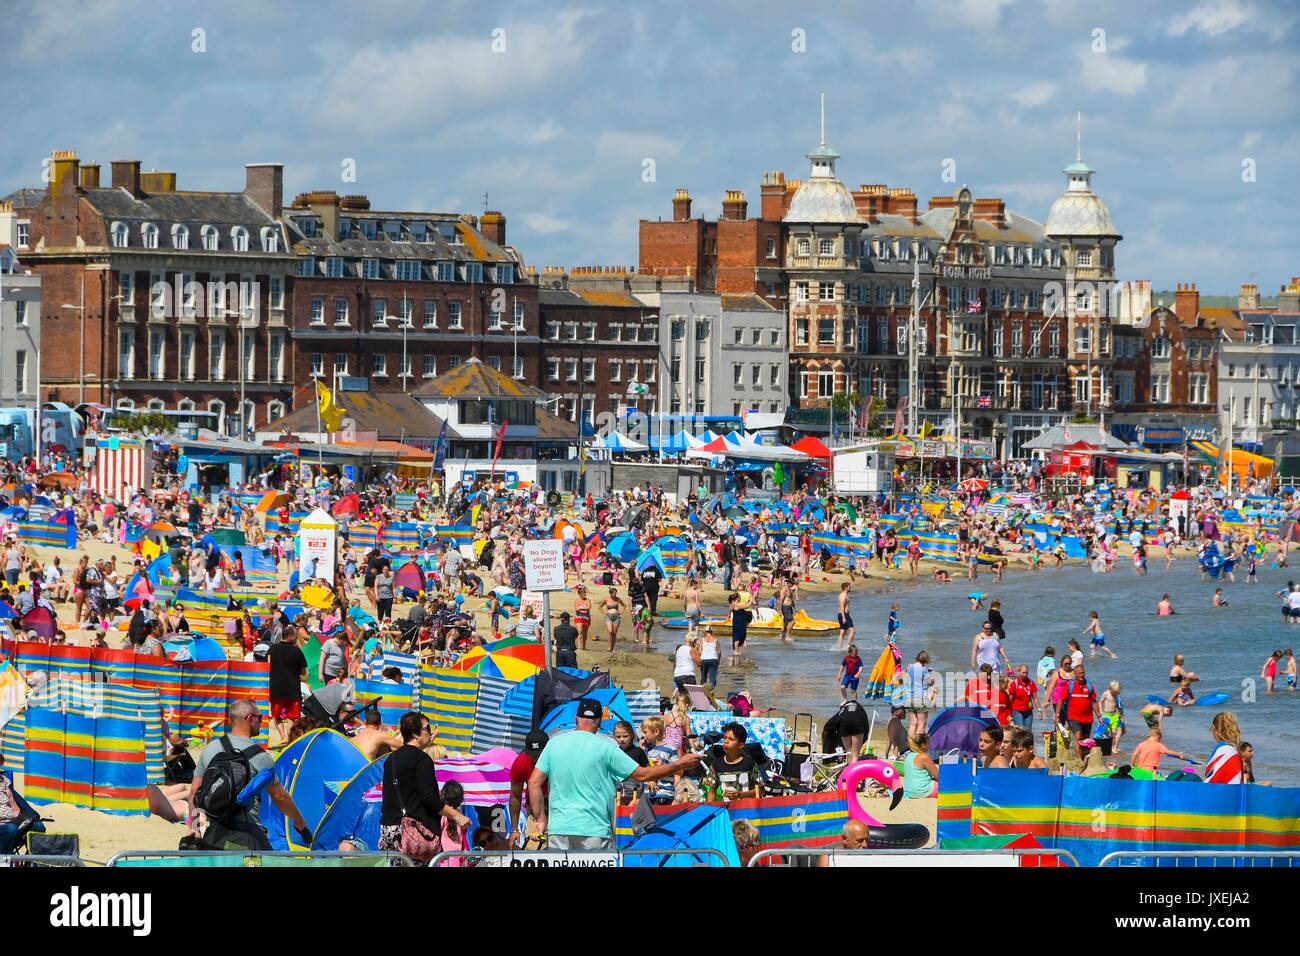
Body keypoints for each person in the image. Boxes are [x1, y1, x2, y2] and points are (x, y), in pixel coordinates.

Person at [527, 698, 701, 850]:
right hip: (594, 831)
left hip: (560, 830)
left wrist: (540, 818)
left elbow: (534, 782)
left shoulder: (554, 744)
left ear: (576, 719)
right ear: (599, 722)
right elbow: (642, 775)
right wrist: (679, 763)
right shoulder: (606, 747)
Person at [187, 699, 311, 851]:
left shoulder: (211, 748)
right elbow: (280, 797)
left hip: (215, 833)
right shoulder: (261, 757)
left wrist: (194, 828)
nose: (261, 722)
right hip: (247, 833)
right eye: (260, 718)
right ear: (250, 719)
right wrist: (300, 823)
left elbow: (194, 792)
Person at [380, 712, 472, 863]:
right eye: (427, 729)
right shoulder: (422, 759)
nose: (430, 732)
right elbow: (428, 797)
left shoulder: (391, 759)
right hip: (413, 834)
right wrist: (457, 816)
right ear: (415, 734)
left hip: (390, 831)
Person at [268, 626, 308, 742]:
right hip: (293, 690)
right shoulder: (297, 651)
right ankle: (289, 737)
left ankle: (283, 736)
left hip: (276, 689)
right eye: (296, 635)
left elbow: (267, 666)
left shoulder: (272, 649)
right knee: (293, 716)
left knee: (276, 716)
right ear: (290, 636)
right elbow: (304, 672)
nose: (297, 637)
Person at [508, 729, 548, 845]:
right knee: (533, 850)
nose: (535, 758)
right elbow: (515, 797)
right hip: (534, 813)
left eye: (539, 754)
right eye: (532, 755)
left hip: (558, 811)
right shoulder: (521, 762)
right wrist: (515, 830)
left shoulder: (558, 760)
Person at [704, 722, 763, 801]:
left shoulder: (750, 763)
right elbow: (711, 792)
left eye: (731, 739)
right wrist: (710, 810)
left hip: (747, 809)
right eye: (725, 738)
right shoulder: (716, 765)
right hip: (726, 811)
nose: (726, 741)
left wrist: (741, 795)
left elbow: (761, 790)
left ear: (741, 745)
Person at [1058, 662, 1101, 763]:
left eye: (1083, 673)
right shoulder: (1070, 686)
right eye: (1079, 673)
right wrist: (1057, 715)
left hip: (1087, 718)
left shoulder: (1089, 686)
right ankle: (1079, 761)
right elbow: (1061, 700)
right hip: (1073, 717)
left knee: (1085, 740)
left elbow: (1094, 702)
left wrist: (1099, 715)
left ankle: (1084, 758)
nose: (1081, 675)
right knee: (1077, 736)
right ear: (1075, 674)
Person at [1205, 712, 1245, 783]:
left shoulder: (1222, 749)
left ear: (1214, 728)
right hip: (1235, 790)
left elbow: (1212, 777)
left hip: (1220, 790)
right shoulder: (1235, 749)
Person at [903, 650, 933, 738]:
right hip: (920, 698)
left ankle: (910, 747)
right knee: (921, 724)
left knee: (913, 723)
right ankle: (918, 746)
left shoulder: (909, 667)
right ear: (926, 660)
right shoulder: (924, 670)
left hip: (909, 699)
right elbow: (930, 682)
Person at [902, 732, 939, 798]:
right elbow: (938, 776)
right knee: (947, 785)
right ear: (923, 745)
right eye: (928, 744)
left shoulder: (909, 756)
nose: (929, 746)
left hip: (910, 792)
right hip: (922, 791)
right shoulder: (923, 757)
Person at [1008, 664, 1038, 730]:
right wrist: (1008, 712)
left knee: (1028, 731)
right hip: (1017, 710)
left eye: (1026, 673)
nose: (1025, 674)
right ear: (1019, 672)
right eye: (1023, 672)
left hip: (1028, 711)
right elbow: (1010, 700)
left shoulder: (1031, 682)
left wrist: (1039, 709)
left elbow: (1035, 698)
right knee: (1020, 729)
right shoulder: (1014, 683)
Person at [729, 591, 753, 666]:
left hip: (737, 621)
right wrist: (751, 599)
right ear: (737, 598)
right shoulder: (737, 605)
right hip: (739, 621)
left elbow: (730, 610)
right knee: (738, 635)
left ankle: (736, 649)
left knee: (739, 634)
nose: (740, 598)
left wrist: (729, 615)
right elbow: (747, 606)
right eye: (739, 597)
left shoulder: (732, 604)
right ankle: (736, 650)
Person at [835, 582, 855, 650]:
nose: (850, 588)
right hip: (844, 615)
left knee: (842, 632)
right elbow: (841, 606)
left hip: (842, 614)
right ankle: (848, 646)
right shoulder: (843, 595)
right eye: (849, 587)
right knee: (853, 630)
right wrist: (843, 617)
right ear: (846, 588)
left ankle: (839, 647)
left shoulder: (844, 594)